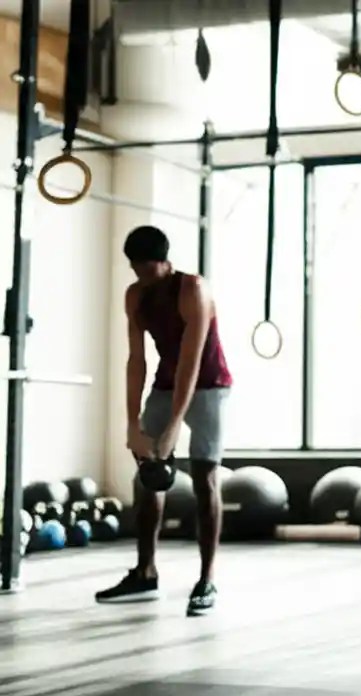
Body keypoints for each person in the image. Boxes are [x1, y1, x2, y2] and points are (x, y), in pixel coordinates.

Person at [96, 225, 233, 617]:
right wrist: (131, 424)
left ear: (165, 262)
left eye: (149, 268)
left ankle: (206, 580)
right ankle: (145, 573)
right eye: (136, 269)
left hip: (209, 386)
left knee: (205, 478)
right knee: (147, 476)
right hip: (164, 384)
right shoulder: (136, 295)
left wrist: (174, 424)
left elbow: (191, 361)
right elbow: (136, 359)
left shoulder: (193, 289)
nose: (142, 275)